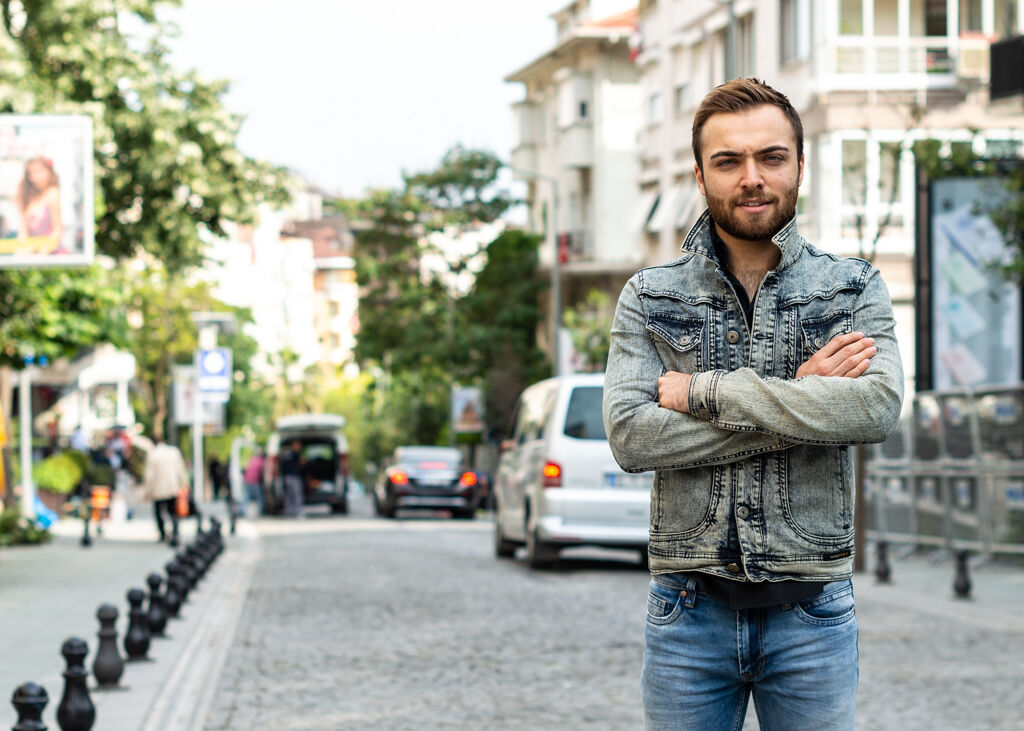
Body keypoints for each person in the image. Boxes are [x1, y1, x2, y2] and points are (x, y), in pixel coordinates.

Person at [603, 78, 904, 730]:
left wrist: (705, 392)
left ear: (800, 164)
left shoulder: (852, 290)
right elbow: (632, 437)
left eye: (771, 156)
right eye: (728, 160)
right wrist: (802, 400)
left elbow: (875, 410)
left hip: (813, 612)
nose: (753, 178)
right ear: (700, 173)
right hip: (688, 610)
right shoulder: (650, 296)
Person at [142, 436, 189, 547]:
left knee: (158, 512)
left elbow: (149, 476)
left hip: (158, 489)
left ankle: (163, 533)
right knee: (173, 511)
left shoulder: (152, 455)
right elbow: (181, 469)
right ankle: (175, 532)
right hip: (173, 487)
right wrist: (184, 483)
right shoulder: (174, 452)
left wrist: (147, 492)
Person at [16, 156, 63, 254]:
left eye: (38, 171)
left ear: (49, 171)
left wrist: (42, 253)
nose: (34, 177)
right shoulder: (28, 197)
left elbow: (57, 230)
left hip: (50, 254)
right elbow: (23, 231)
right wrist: (20, 252)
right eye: (30, 173)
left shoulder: (52, 193)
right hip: (31, 252)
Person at [280, 440, 305, 517]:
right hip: (294, 476)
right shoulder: (295, 454)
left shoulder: (287, 454)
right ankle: (298, 510)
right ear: (294, 445)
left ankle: (289, 511)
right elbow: (302, 463)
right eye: (298, 446)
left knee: (289, 495)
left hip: (287, 477)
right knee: (297, 494)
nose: (299, 448)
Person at [242, 448, 266, 517]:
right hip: (255, 481)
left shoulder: (252, 460)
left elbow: (245, 468)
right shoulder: (261, 461)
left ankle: (242, 511)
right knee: (260, 498)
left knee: (247, 497)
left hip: (247, 480)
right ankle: (261, 512)